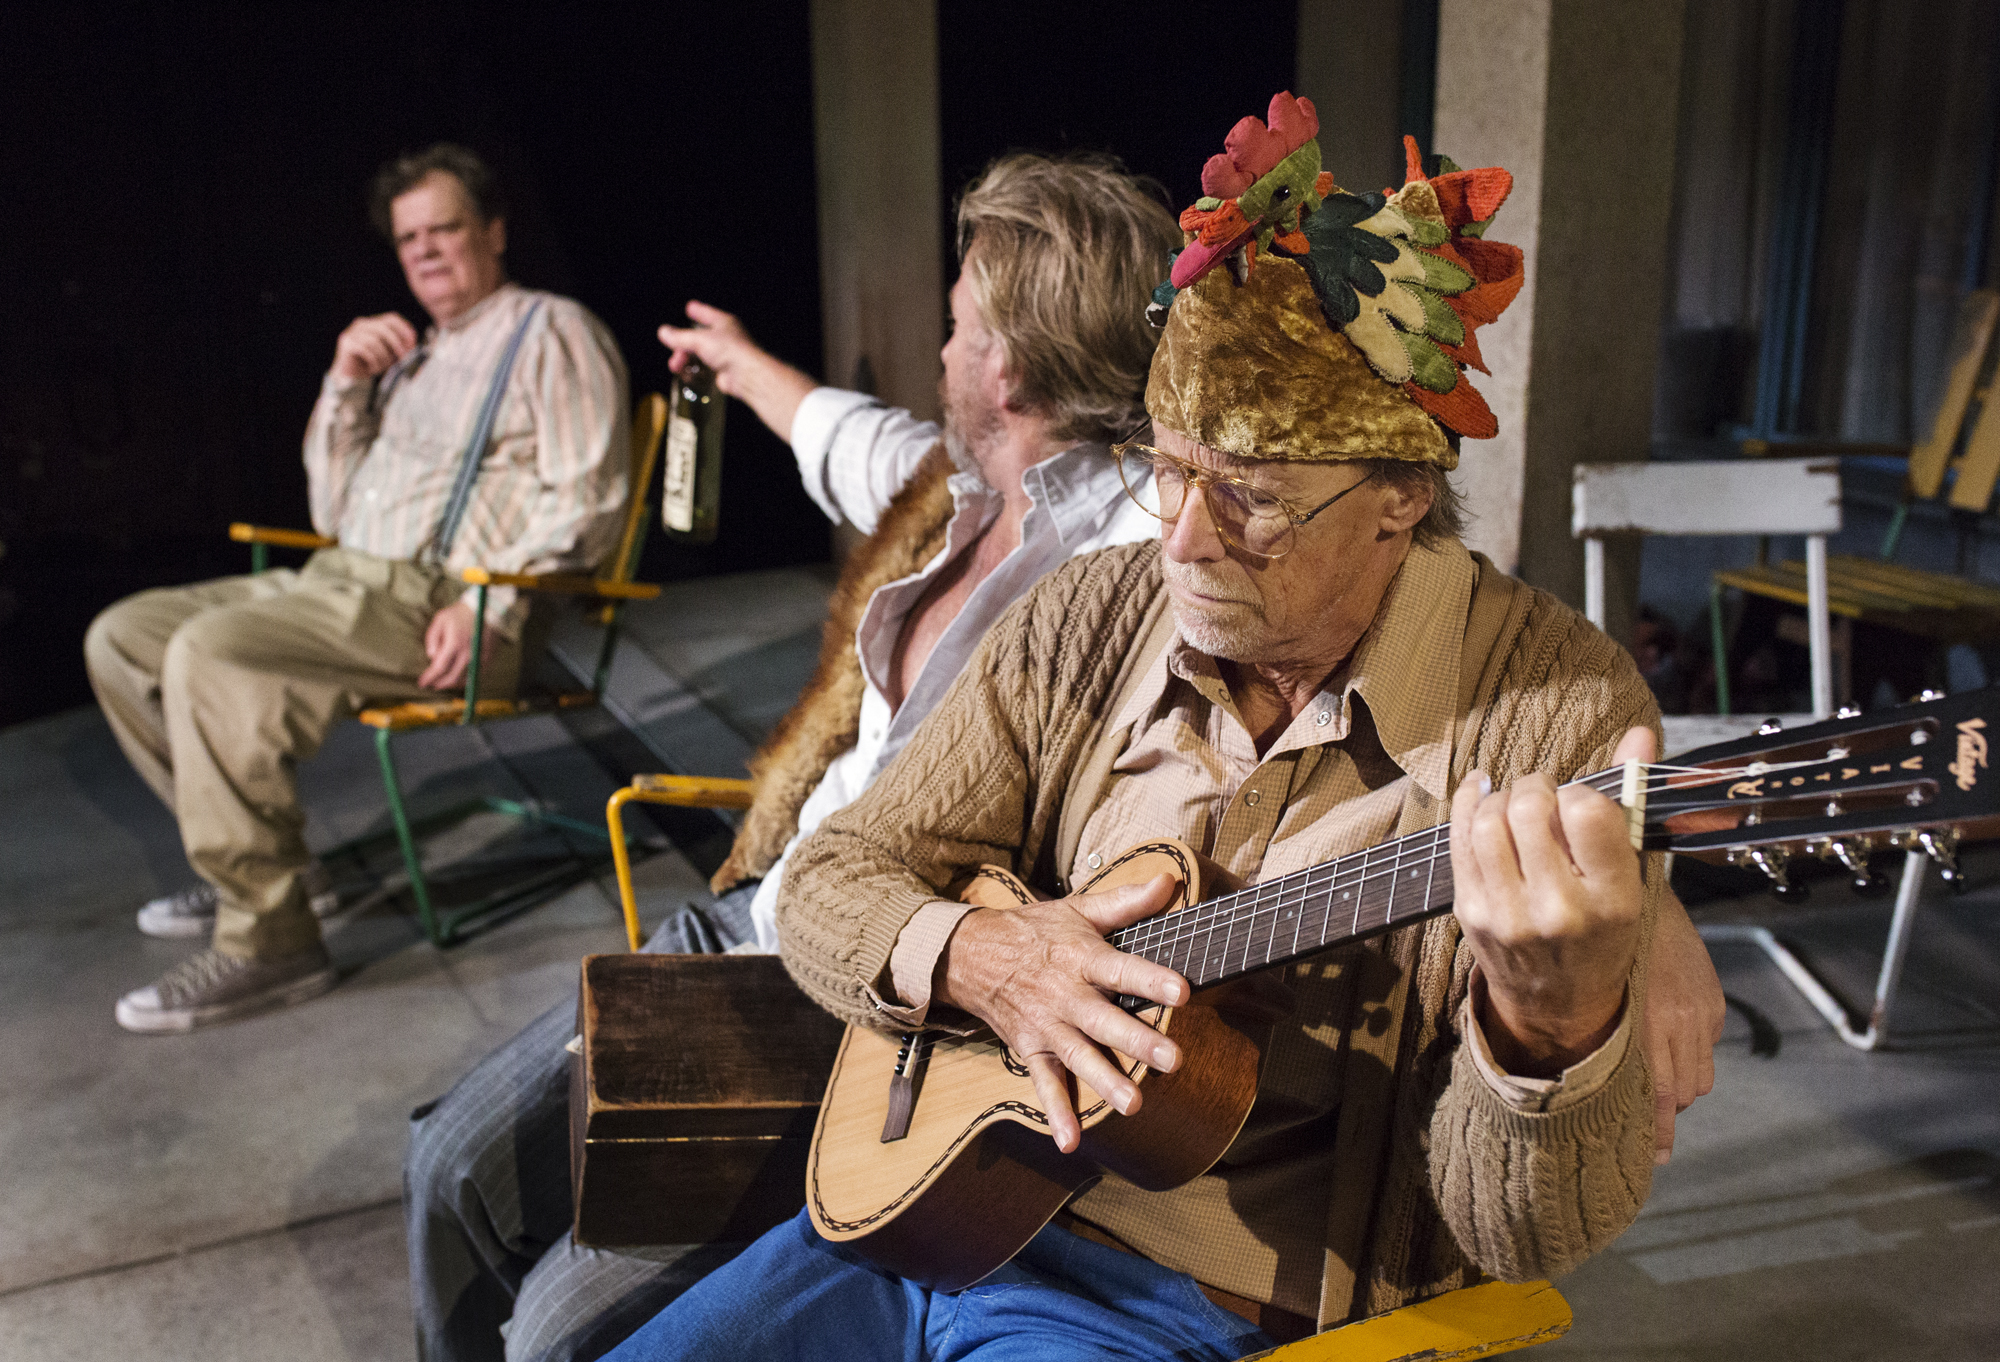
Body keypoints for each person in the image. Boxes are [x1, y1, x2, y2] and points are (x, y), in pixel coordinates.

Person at [601, 98, 1722, 1362]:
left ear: (1400, 500)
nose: (1178, 540)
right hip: (917, 1208)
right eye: (1167, 469)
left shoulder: (1557, 714)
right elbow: (832, 877)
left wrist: (1548, 1026)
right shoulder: (1092, 609)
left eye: (1244, 498)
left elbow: (1520, 1236)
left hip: (1173, 1311)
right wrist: (978, 956)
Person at [403, 152, 1187, 1362]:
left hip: (866, 1012)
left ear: (1010, 364)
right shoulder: (953, 485)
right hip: (743, 926)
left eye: (952, 324)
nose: (934, 353)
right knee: (447, 1170)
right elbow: (844, 440)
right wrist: (736, 363)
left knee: (557, 1328)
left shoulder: (1135, 549)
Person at [85, 144, 630, 1033]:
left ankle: (272, 941)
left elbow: (590, 495)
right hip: (347, 582)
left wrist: (497, 602)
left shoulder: (549, 330)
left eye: (445, 227)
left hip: (455, 607)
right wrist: (346, 383)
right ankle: (280, 871)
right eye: (408, 236)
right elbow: (335, 512)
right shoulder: (411, 359)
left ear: (493, 231)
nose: (423, 250)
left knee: (209, 652)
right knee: (122, 636)